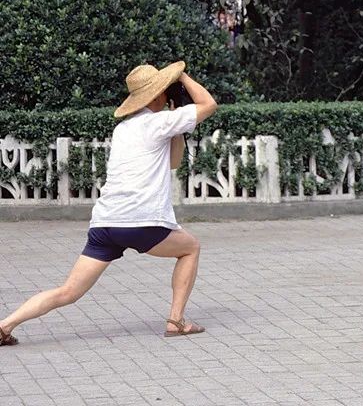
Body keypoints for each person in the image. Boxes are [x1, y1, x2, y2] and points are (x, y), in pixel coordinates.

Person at [0, 61, 218, 346]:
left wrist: (177, 119)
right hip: (142, 221)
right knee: (190, 248)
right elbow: (208, 103)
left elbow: (173, 162)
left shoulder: (125, 128)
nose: (167, 94)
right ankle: (176, 320)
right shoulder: (158, 122)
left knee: (69, 291)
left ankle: (5, 325)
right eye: (164, 90)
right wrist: (183, 75)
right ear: (155, 96)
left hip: (106, 223)